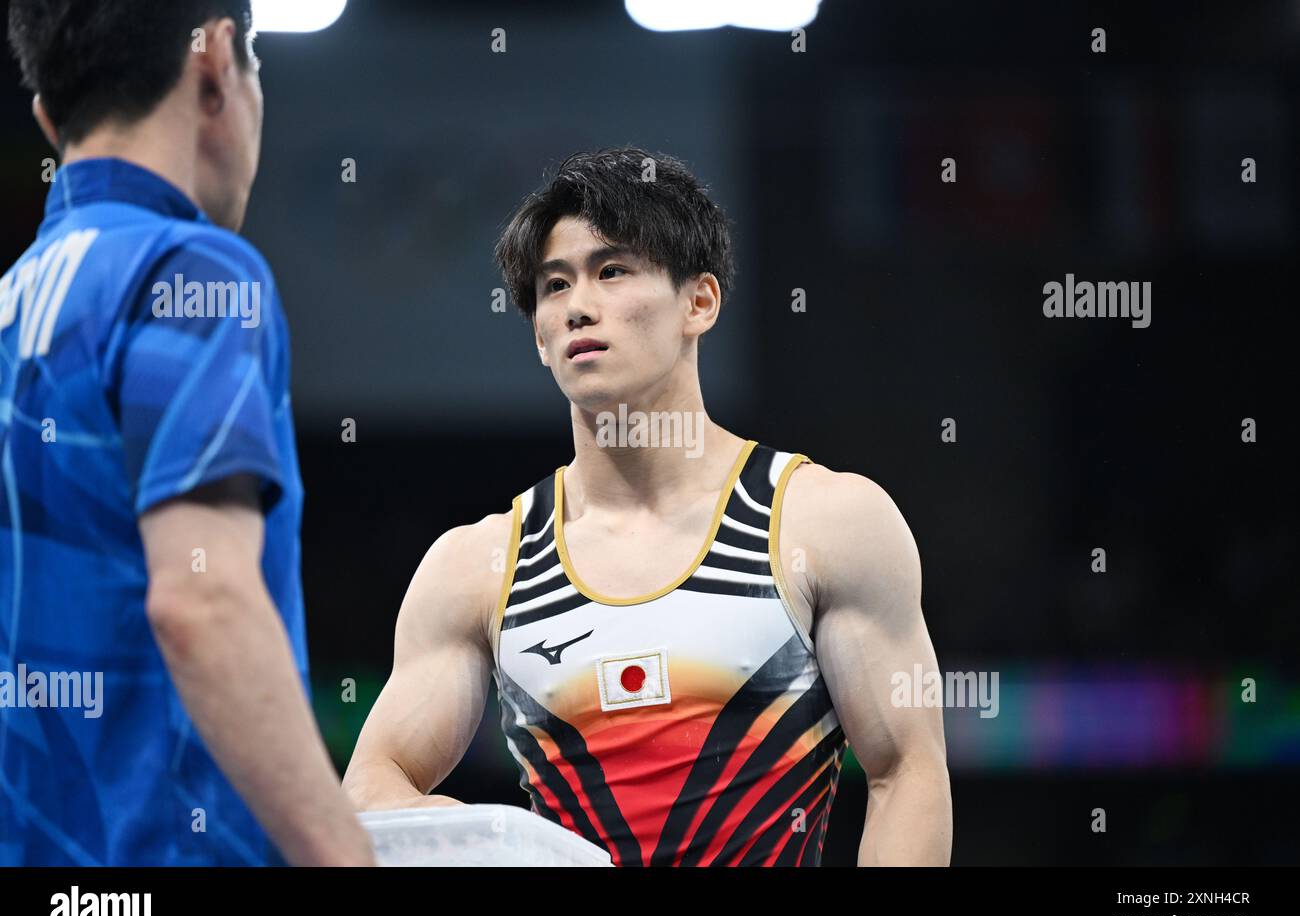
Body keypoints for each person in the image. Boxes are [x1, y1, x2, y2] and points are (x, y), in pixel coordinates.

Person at [344, 147, 951, 866]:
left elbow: (905, 772)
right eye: (554, 286)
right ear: (538, 335)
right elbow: (371, 788)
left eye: (612, 271)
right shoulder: (477, 566)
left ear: (699, 302)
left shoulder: (823, 523)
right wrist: (491, 842)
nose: (578, 306)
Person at [0, 0, 372, 865]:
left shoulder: (13, 305)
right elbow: (200, 601)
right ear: (216, 63)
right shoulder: (188, 270)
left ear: (50, 120)